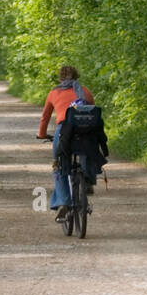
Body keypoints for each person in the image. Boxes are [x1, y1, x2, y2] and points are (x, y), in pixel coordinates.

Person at [37, 66, 95, 220]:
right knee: (86, 151)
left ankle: (63, 202)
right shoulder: (84, 91)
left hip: (64, 131)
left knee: (58, 165)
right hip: (84, 131)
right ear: (77, 77)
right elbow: (93, 112)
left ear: (60, 79)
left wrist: (42, 134)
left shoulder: (54, 93)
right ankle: (87, 178)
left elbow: (45, 117)